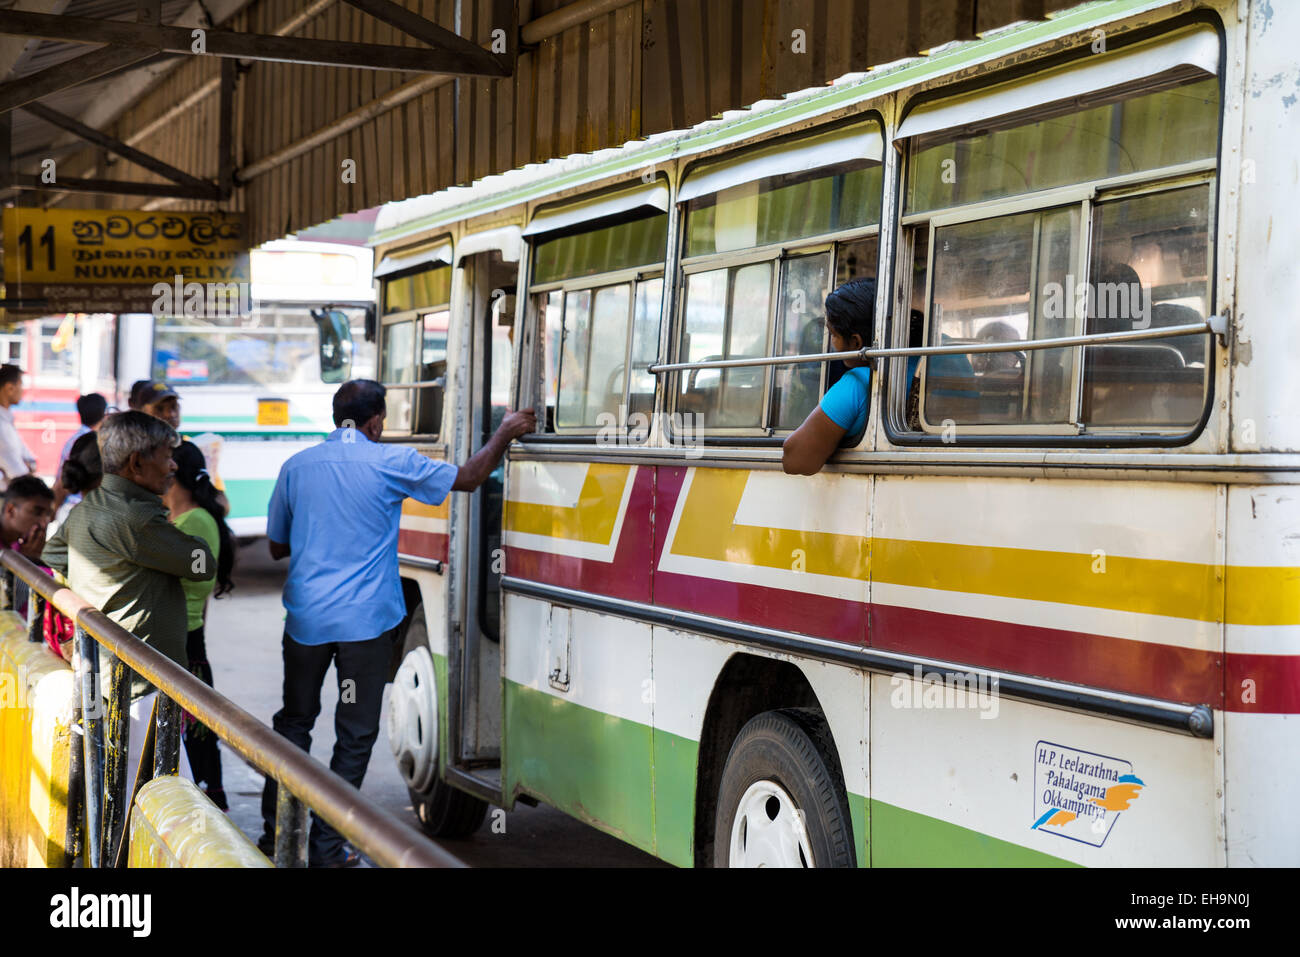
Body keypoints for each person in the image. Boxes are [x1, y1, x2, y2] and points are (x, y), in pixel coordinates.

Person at [258, 379, 536, 866]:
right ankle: (327, 850)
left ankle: (275, 834)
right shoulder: (391, 463)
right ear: (375, 422)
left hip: (306, 622)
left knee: (294, 725)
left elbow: (277, 546)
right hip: (364, 627)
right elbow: (470, 478)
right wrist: (506, 432)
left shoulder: (296, 467)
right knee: (354, 735)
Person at [42, 411, 214, 794]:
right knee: (167, 802)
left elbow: (53, 555)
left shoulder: (88, 507)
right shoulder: (138, 520)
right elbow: (202, 564)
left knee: (120, 796)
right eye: (168, 455)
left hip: (107, 671)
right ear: (137, 462)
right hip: (141, 685)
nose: (173, 466)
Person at [162, 440, 236, 810]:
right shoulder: (185, 518)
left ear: (173, 472)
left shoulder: (193, 521)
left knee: (195, 727)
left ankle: (208, 796)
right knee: (193, 723)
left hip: (187, 635)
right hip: (184, 632)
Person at [782, 279, 876, 476]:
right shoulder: (916, 363)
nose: (831, 343)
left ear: (856, 342)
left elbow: (795, 460)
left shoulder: (856, 384)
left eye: (833, 334)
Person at [52, 393, 108, 514]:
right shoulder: (100, 442)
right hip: (92, 509)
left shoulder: (72, 441)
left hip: (70, 506)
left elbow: (60, 481)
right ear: (103, 414)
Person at [0, 364, 36, 492]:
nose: (23, 390)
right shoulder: (2, 425)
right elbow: (18, 472)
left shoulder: (7, 419)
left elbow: (30, 461)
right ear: (10, 388)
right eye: (21, 385)